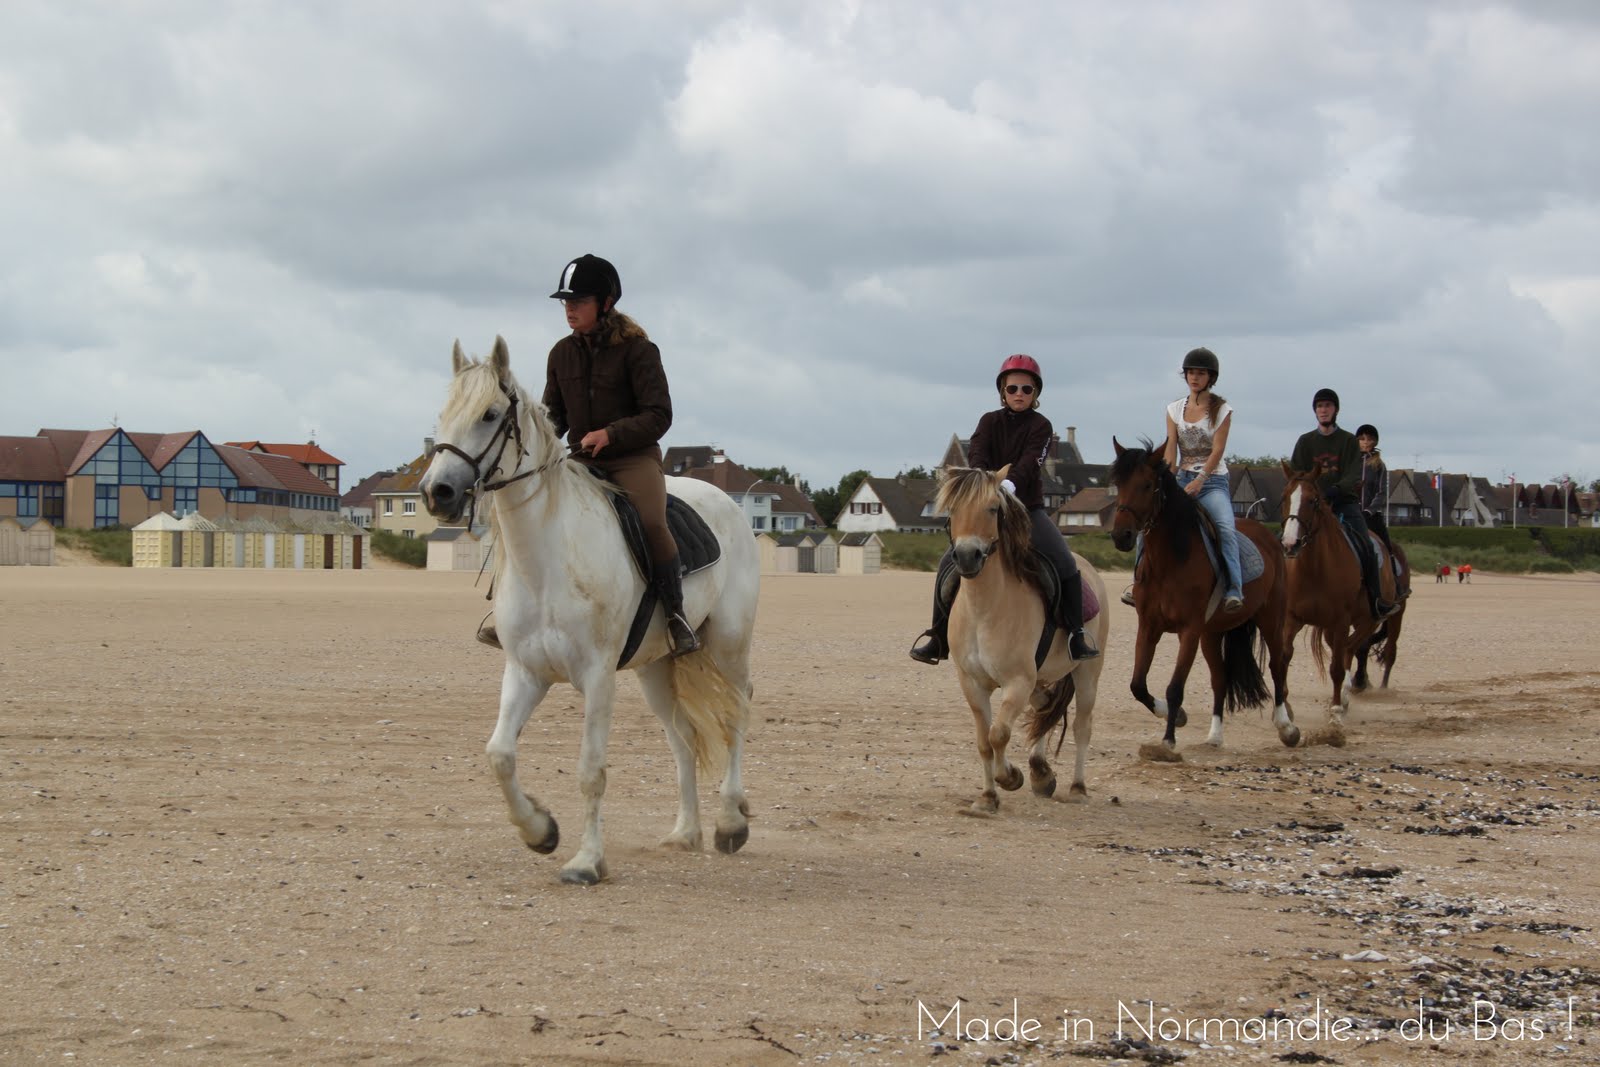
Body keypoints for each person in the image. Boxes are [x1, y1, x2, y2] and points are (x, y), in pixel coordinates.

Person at [477, 253, 699, 656]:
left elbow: (659, 414)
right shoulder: (560, 353)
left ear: (606, 303)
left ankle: (675, 614)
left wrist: (611, 434)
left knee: (651, 522)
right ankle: (508, 612)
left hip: (633, 459)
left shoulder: (639, 351)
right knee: (525, 514)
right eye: (566, 302)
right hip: (580, 461)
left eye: (578, 301)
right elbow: (554, 417)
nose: (569, 309)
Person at [909, 354, 1099, 664]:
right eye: (1012, 389)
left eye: (1026, 389)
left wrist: (1007, 486)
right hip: (987, 507)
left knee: (1065, 561)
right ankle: (938, 636)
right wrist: (983, 485)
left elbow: (1031, 462)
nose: (1019, 394)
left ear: (1035, 393)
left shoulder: (1041, 426)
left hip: (1027, 509)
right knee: (948, 563)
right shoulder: (988, 421)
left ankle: (1077, 634)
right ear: (1003, 391)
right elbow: (978, 455)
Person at [1290, 388, 1396, 619]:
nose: (1323, 410)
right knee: (1285, 540)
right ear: (1315, 411)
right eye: (1319, 406)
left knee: (1367, 546)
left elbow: (1354, 473)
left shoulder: (1348, 441)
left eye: (1327, 405)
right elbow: (1297, 472)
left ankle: (1376, 600)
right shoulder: (1305, 441)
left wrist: (1337, 489)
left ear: (1336, 410)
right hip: (1312, 505)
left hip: (1344, 502)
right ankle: (1279, 598)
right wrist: (1311, 492)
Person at [1162, 347, 1244, 612]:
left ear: (1211, 378)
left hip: (1212, 481)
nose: (1194, 378)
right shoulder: (1174, 409)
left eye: (1201, 373)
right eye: (1191, 373)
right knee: (1150, 522)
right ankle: (1139, 582)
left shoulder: (1222, 410)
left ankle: (1234, 589)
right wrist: (1168, 478)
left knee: (1225, 528)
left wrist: (1200, 480)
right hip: (1181, 477)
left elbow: (1218, 450)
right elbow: (1171, 447)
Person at [1355, 423, 1408, 601]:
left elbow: (1381, 493)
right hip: (1351, 513)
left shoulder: (1379, 465)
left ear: (1375, 442)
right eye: (1362, 439)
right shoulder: (1349, 463)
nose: (1365, 442)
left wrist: (1370, 510)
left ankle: (1396, 583)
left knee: (1386, 547)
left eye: (1369, 439)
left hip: (1370, 516)